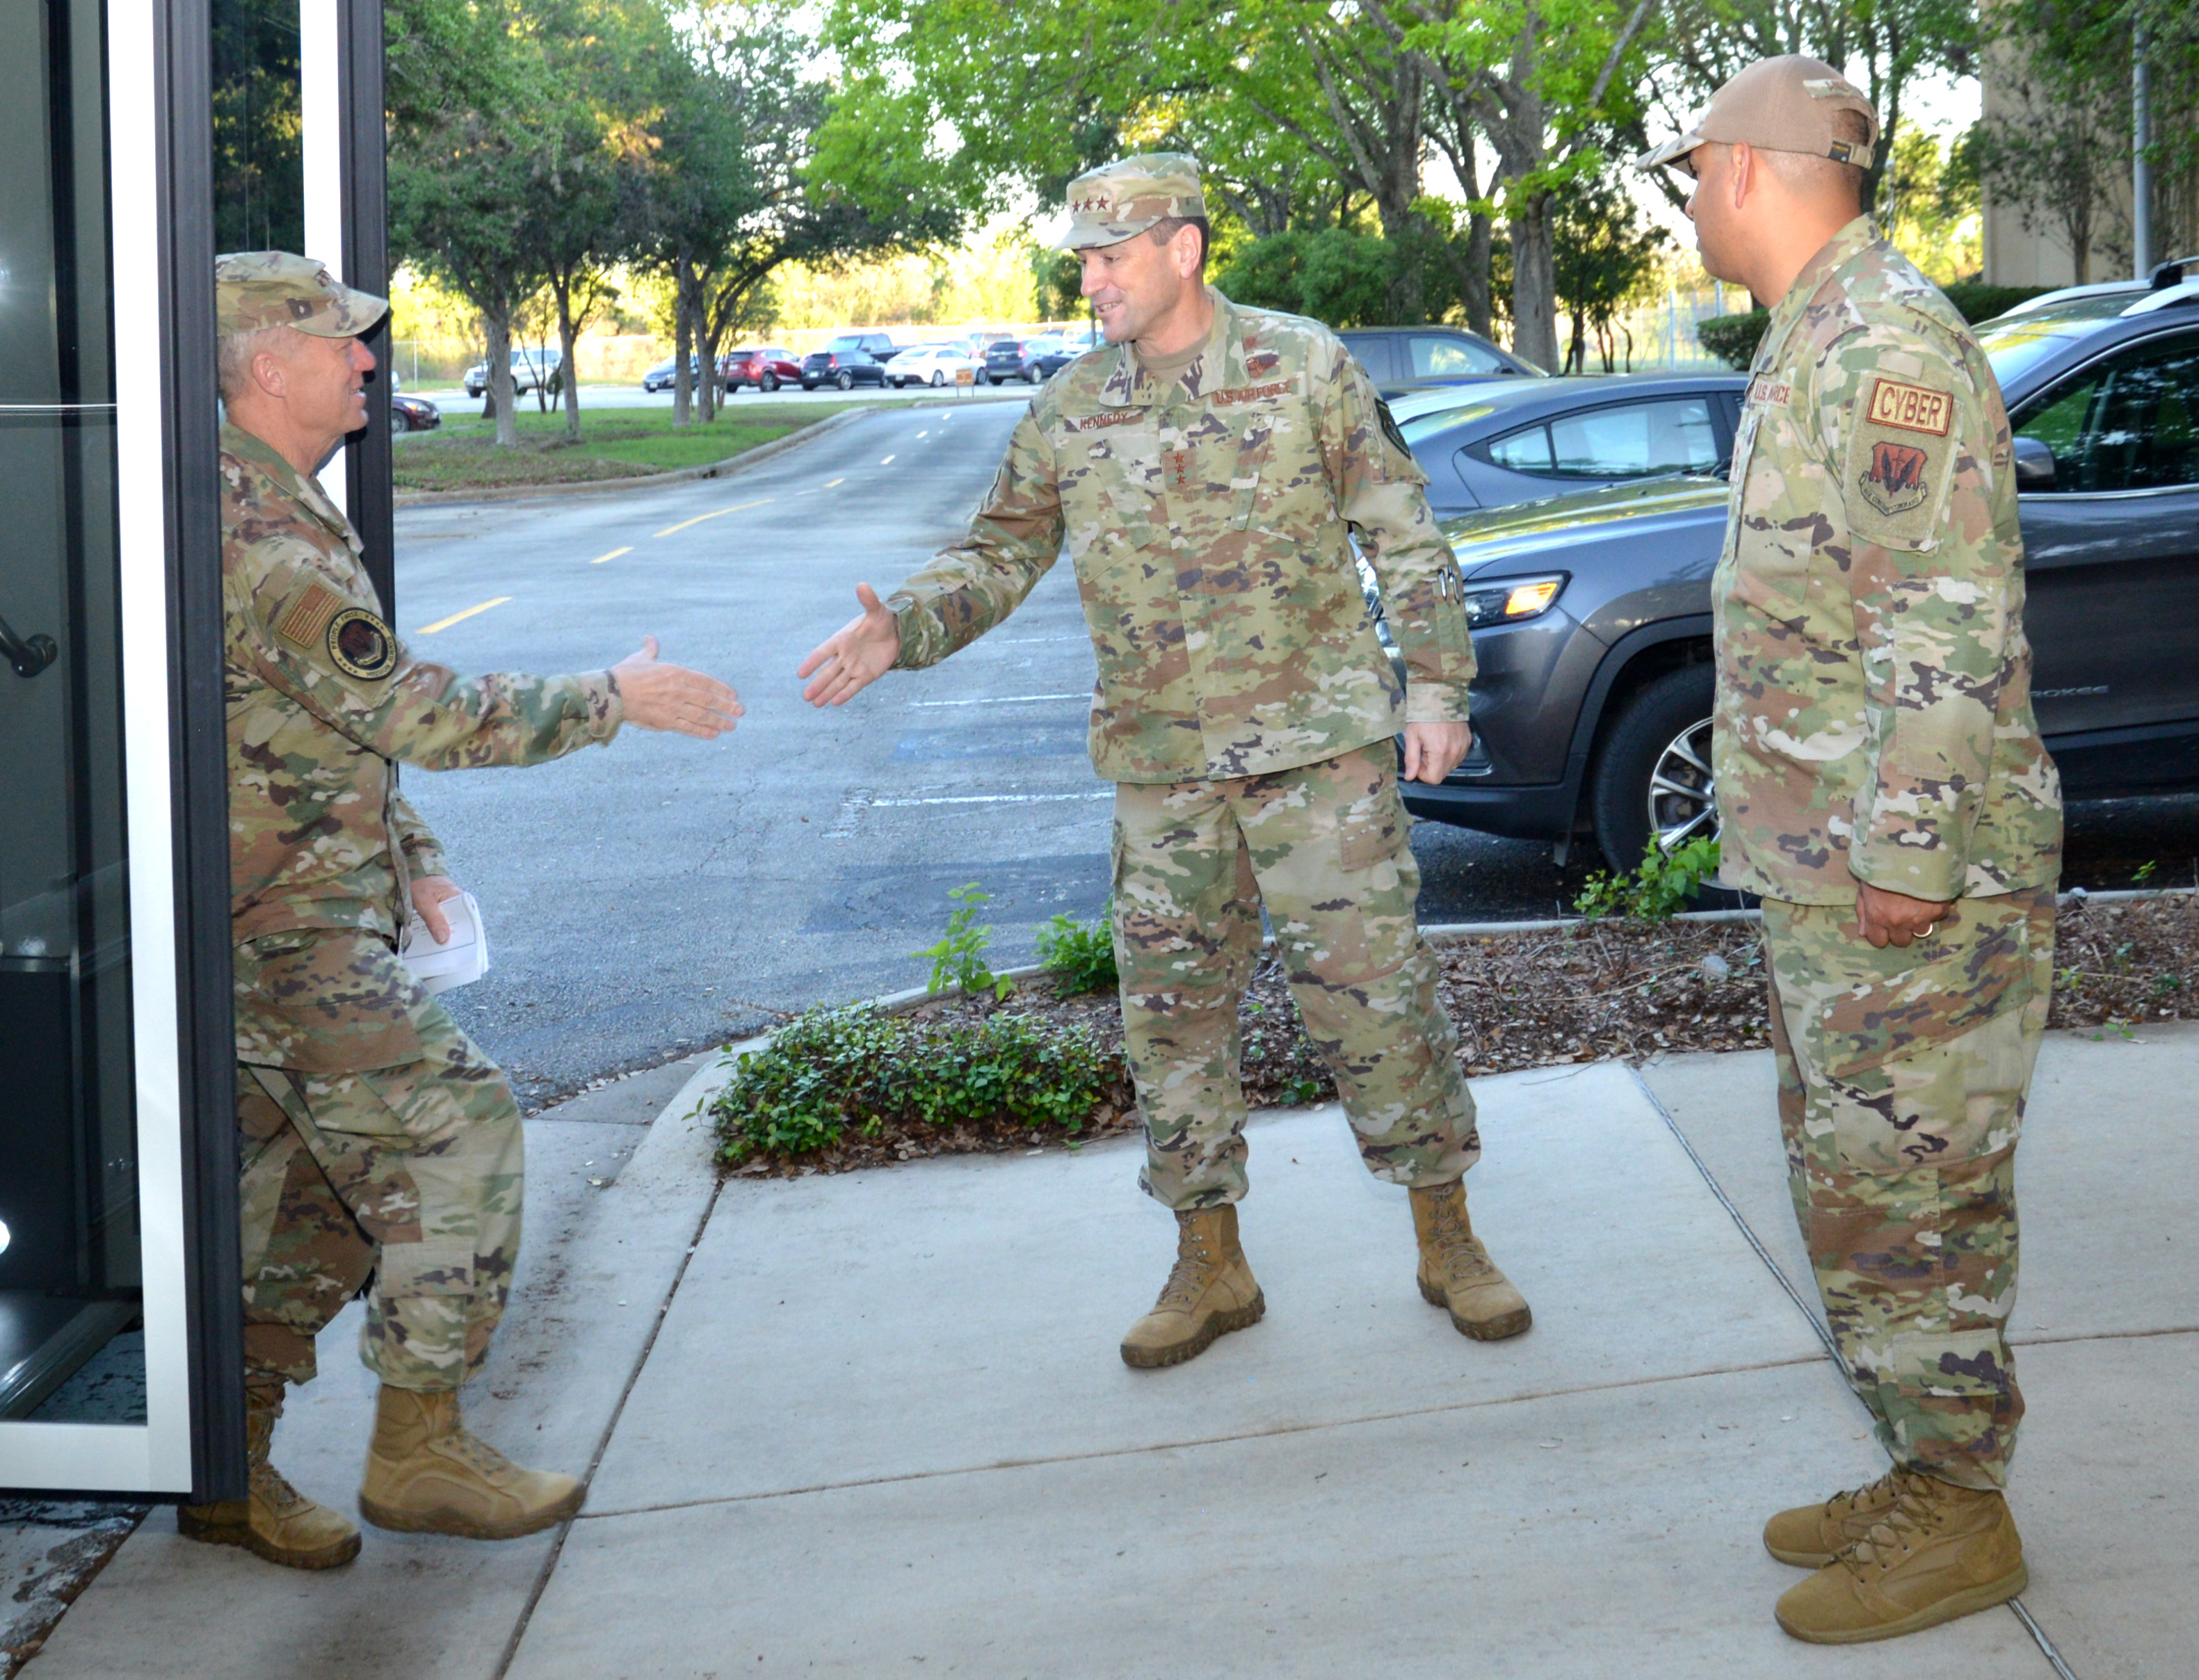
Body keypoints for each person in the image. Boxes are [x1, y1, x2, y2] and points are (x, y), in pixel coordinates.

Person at [798, 154, 1529, 1371]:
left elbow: (1403, 531)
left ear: (1181, 248)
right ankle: (1209, 1264)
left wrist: (1438, 685)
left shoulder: (1303, 367)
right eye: (1080, 258)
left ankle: (1447, 1236)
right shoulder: (1073, 406)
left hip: (1317, 760)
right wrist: (903, 628)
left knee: (1376, 1002)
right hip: (1163, 772)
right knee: (1171, 1023)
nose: (1088, 280)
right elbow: (998, 551)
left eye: (1109, 255)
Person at [180, 252, 743, 1570]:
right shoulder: (259, 535)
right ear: (268, 364)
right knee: (460, 1138)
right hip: (279, 930)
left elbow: (308, 733)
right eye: (342, 342)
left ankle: (224, 1465)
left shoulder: (273, 505)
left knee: (314, 1198)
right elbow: (414, 710)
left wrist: (412, 856)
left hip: (297, 906)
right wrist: (612, 698)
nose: (368, 361)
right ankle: (416, 1448)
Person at [1638, 60, 2064, 1642]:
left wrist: (1910, 849)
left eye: (1694, 173)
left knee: (1916, 1196)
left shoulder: (1882, 342)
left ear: (1750, 168)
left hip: (1909, 878)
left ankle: (1963, 1511)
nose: (1688, 200)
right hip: (1834, 865)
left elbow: (1948, 615)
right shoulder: (1822, 330)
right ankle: (1923, 1460)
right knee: (1856, 1185)